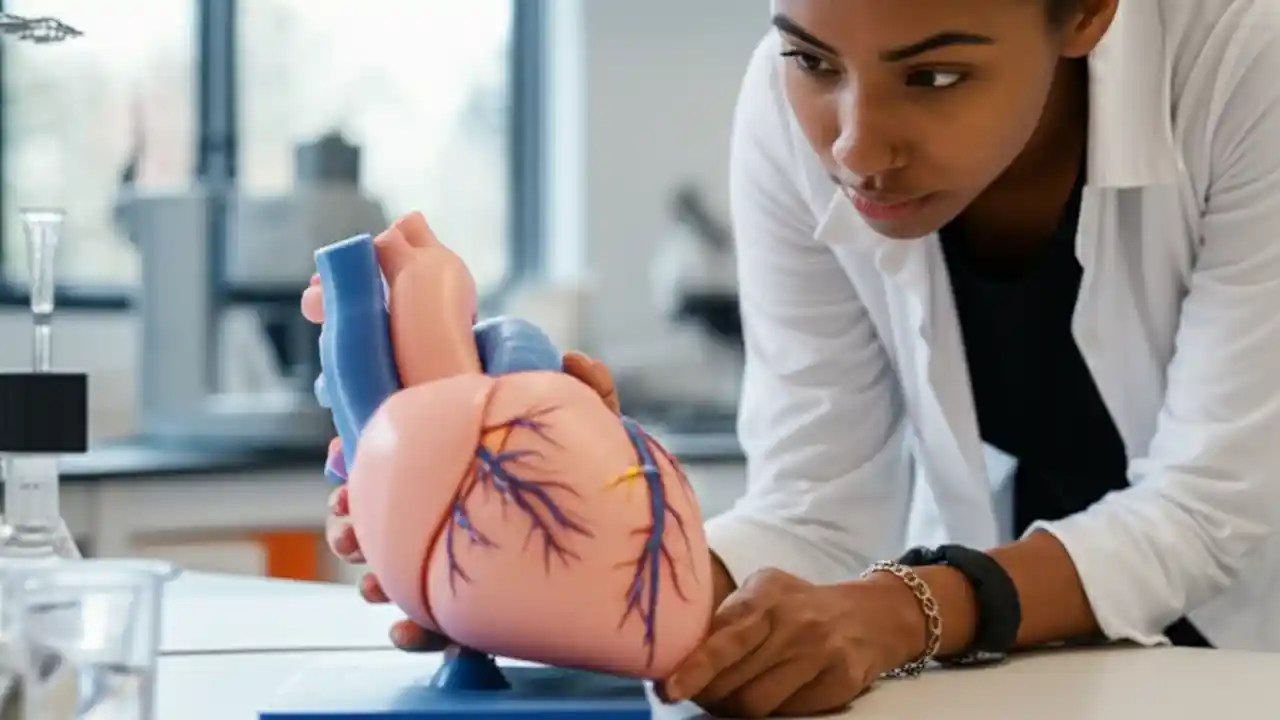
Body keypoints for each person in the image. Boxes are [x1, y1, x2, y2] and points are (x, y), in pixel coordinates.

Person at [320, 0, 1280, 716]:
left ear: (1085, 14)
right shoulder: (785, 120)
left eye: (935, 76)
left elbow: (1210, 503)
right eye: (813, 60)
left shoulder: (1247, 60)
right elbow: (819, 508)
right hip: (1054, 669)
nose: (856, 147)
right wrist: (590, 575)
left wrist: (906, 609)